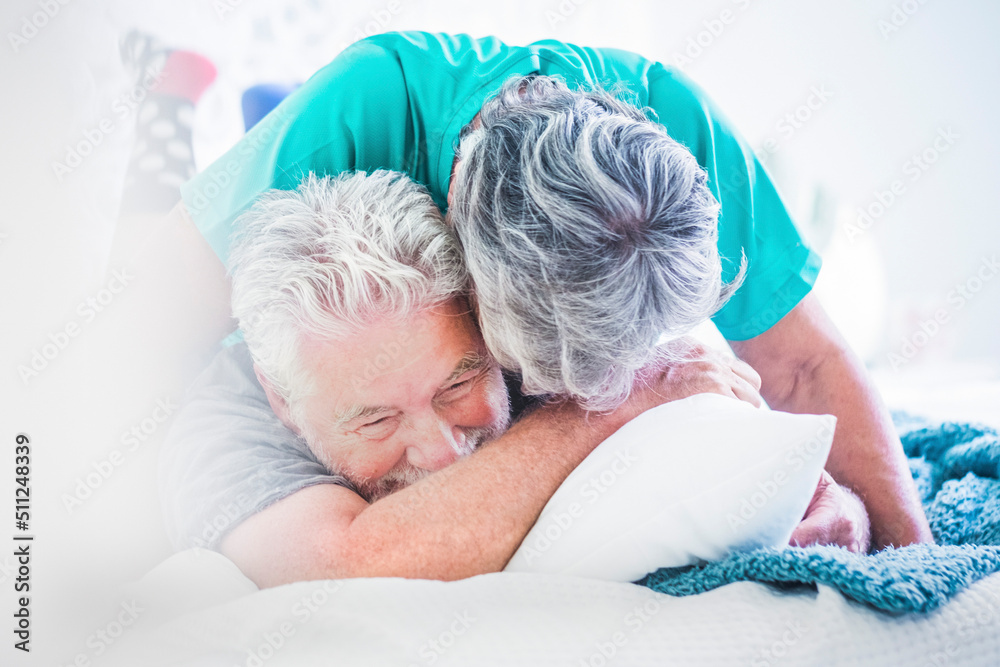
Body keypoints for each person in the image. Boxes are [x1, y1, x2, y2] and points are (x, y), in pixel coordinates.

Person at [120, 31, 926, 556]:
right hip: (271, 243)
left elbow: (802, 369)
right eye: (556, 380)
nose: (585, 397)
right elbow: (137, 333)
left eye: (465, 378)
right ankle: (171, 101)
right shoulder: (354, 115)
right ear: (465, 267)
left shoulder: (678, 128)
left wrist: (907, 559)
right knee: (145, 240)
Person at [160, 170, 794, 588]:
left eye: (458, 388)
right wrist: (614, 404)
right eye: (376, 419)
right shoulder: (223, 430)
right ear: (284, 401)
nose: (442, 452)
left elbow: (704, 372)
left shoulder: (506, 327)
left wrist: (821, 495)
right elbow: (352, 565)